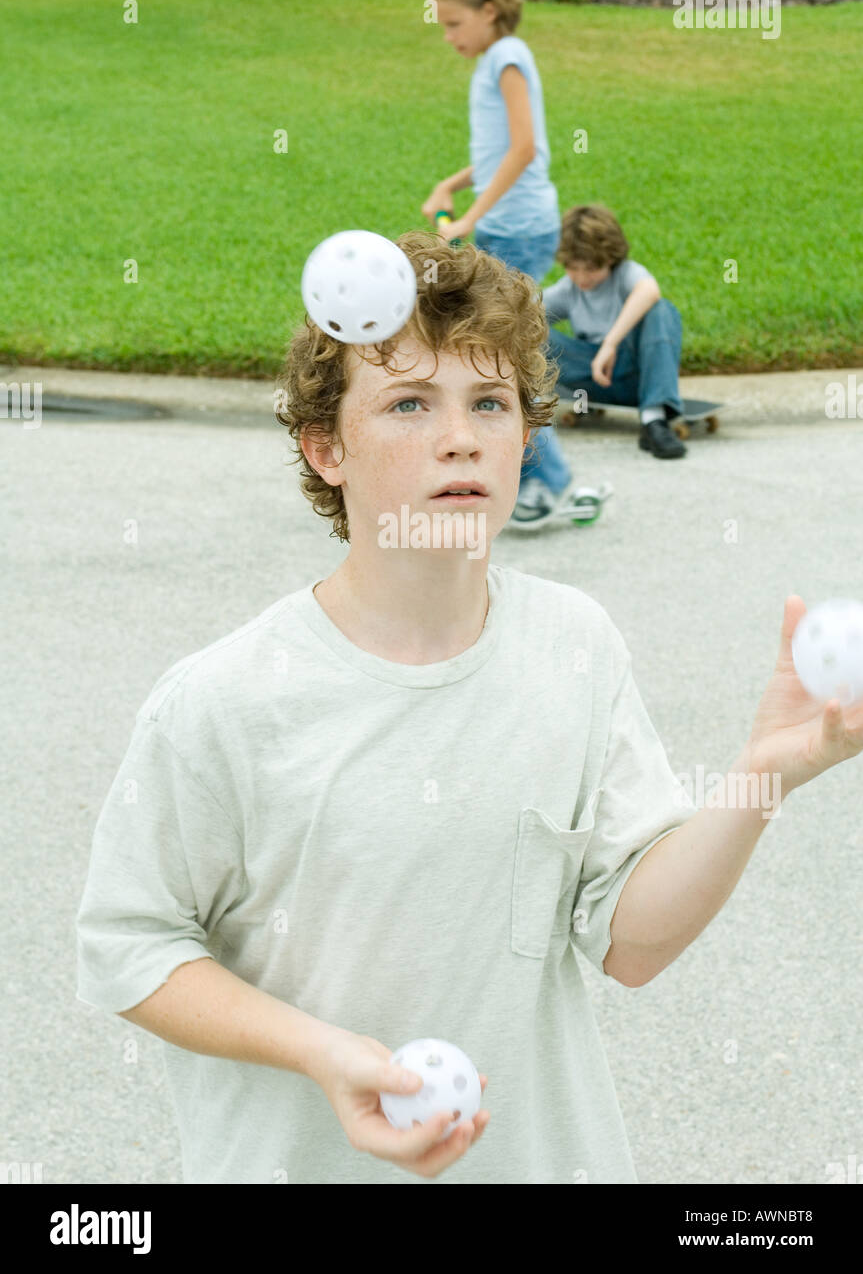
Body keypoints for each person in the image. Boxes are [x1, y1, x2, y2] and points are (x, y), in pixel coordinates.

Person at [75, 232, 863, 1185]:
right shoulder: (226, 700)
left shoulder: (575, 644)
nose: (460, 435)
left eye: (489, 402)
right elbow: (130, 945)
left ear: (525, 439)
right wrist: (319, 1050)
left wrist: (758, 778)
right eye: (409, 403)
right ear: (324, 448)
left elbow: (632, 945)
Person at [420, 0, 591, 532]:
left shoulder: (509, 57)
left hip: (517, 229)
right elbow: (494, 153)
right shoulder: (495, 59)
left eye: (452, 23)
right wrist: (454, 181)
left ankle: (550, 483)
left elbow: (524, 148)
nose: (447, 37)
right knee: (500, 357)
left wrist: (469, 217)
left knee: (506, 360)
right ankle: (540, 480)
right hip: (506, 225)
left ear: (489, 9)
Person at [543, 204, 688, 468]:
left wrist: (610, 344)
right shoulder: (568, 289)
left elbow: (649, 290)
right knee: (529, 331)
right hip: (594, 379)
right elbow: (522, 311)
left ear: (610, 258)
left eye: (590, 268)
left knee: (662, 310)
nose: (581, 277)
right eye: (573, 268)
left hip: (641, 374)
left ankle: (654, 421)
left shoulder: (626, 274)